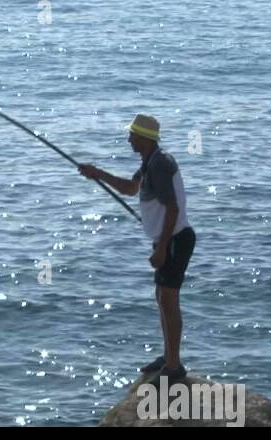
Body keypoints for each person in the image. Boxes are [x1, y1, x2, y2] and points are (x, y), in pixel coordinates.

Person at [78, 114, 196, 384]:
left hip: (176, 240)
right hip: (169, 240)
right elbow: (130, 189)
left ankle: (174, 366)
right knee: (162, 300)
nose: (128, 138)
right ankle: (168, 357)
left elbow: (173, 208)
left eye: (132, 134)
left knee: (169, 301)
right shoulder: (150, 162)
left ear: (144, 137)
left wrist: (163, 247)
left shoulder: (160, 165)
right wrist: (98, 174)